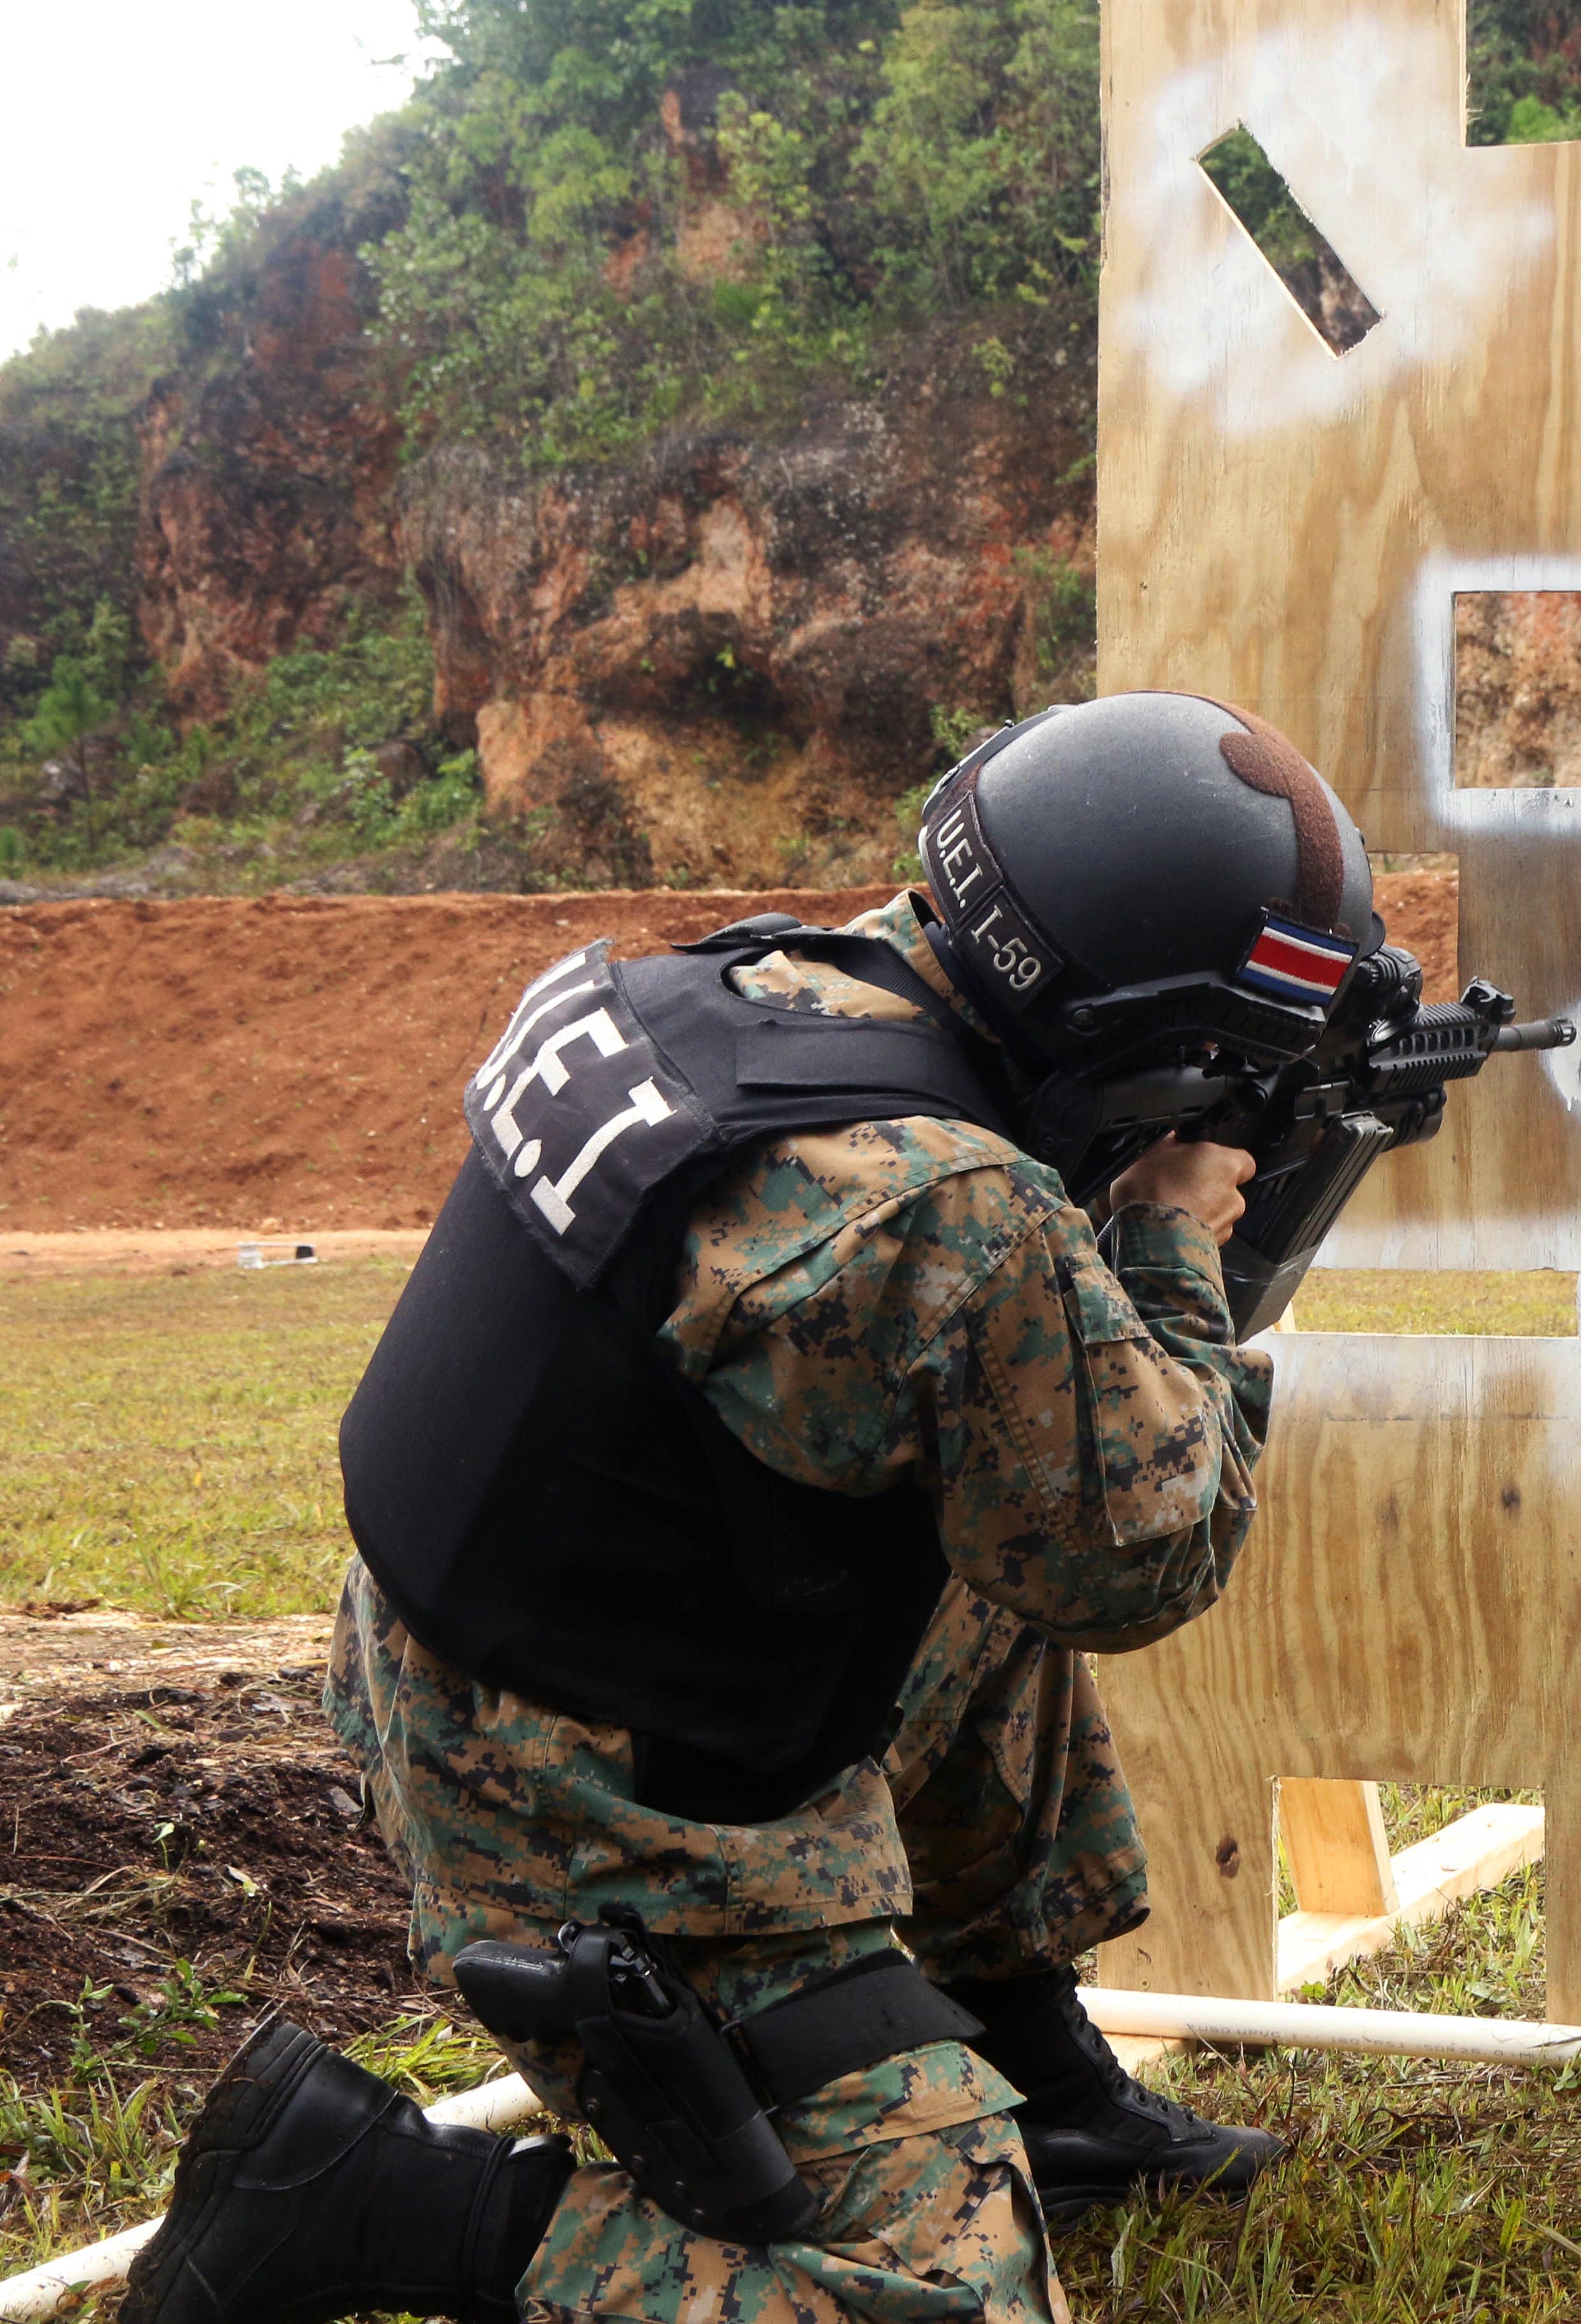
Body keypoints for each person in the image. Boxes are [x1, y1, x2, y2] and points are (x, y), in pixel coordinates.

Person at [125, 692, 1385, 2324]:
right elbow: (1137, 1551)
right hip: (609, 1813)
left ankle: (1030, 2060)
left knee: (992, 1496)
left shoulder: (736, 989)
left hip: (493, 1653)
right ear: (1134, 1036)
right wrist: (1172, 1231)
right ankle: (377, 2205)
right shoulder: (948, 1209)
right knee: (963, 2309)